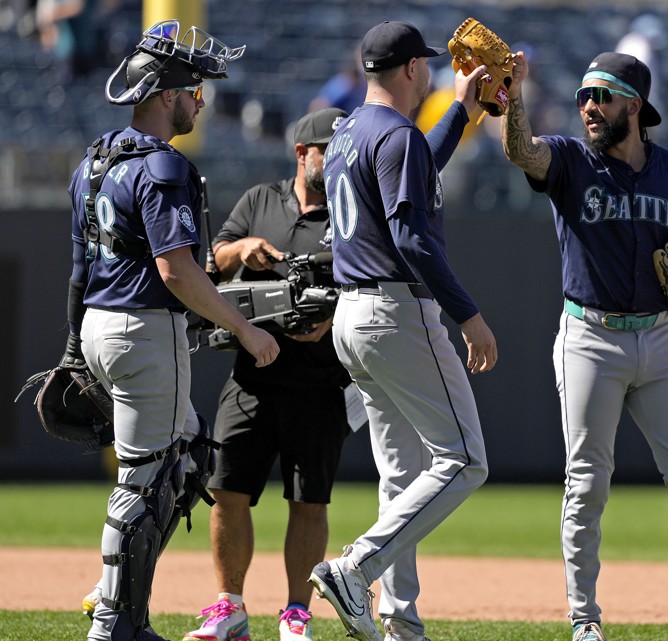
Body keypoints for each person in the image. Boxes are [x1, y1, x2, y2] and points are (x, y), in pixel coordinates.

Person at [501, 50, 668, 641]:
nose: (588, 107)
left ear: (634, 104)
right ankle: (584, 619)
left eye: (601, 95)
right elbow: (522, 152)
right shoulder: (573, 160)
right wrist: (515, 94)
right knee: (587, 480)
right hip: (588, 337)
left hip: (657, 340)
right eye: (583, 96)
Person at [68, 19, 278, 641]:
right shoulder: (162, 166)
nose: (201, 100)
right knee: (147, 477)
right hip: (142, 328)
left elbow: (80, 264)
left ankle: (115, 592)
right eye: (194, 89)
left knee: (185, 457)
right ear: (166, 94)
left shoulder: (95, 159)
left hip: (100, 324)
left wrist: (71, 344)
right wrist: (246, 328)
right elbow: (178, 272)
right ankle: (114, 618)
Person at [305, 21, 495, 641]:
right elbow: (412, 235)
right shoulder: (398, 136)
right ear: (413, 69)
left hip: (352, 315)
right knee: (465, 460)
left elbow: (413, 171)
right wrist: (468, 314)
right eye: (428, 65)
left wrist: (462, 111)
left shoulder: (344, 136)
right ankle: (356, 567)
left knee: (404, 474)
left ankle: (400, 622)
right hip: (396, 311)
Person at [180, 107, 350, 641]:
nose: (342, 158)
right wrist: (240, 249)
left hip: (319, 381)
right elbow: (213, 264)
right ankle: (229, 605)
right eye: (332, 149)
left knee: (308, 501)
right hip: (252, 374)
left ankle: (296, 612)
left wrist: (332, 321)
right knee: (225, 488)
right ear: (303, 153)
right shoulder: (260, 200)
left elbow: (370, 290)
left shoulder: (352, 211)